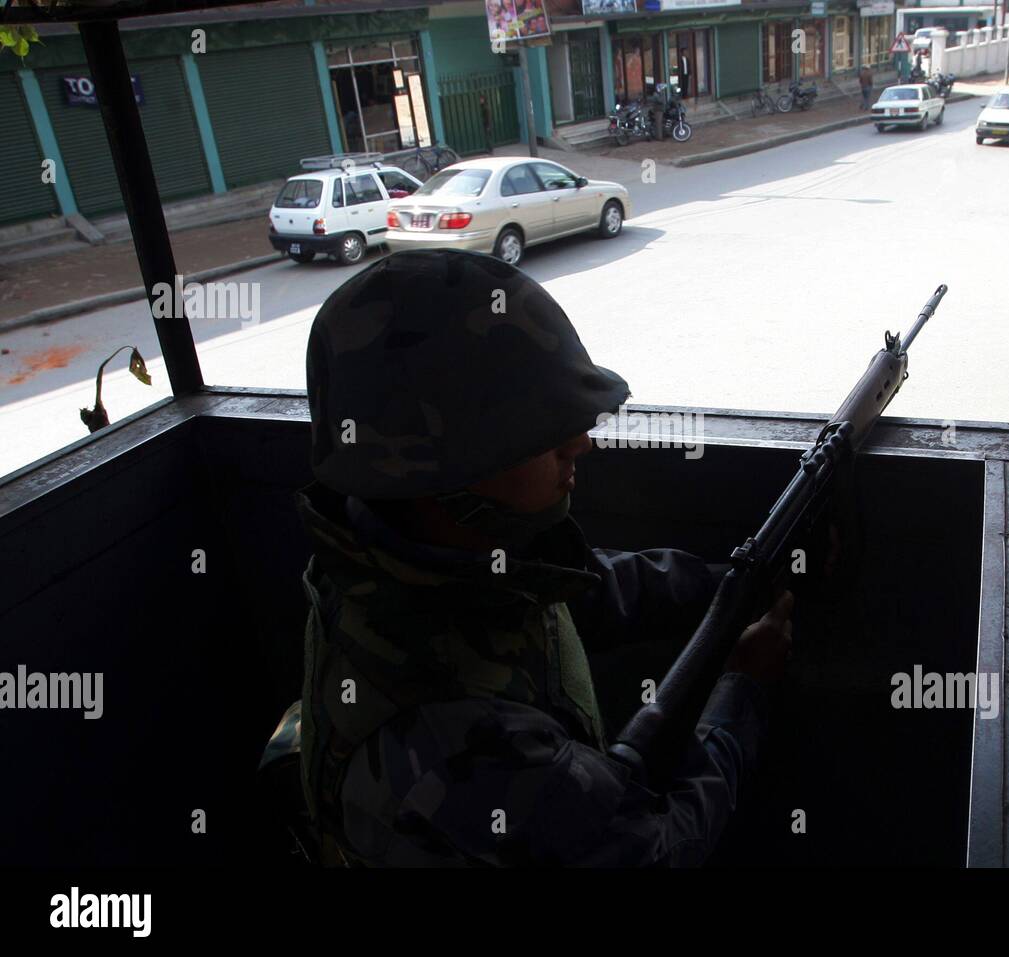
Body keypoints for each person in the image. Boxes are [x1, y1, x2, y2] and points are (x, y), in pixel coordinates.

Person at [296, 249, 795, 866]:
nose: (580, 443)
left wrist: (731, 583)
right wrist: (742, 690)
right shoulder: (462, 745)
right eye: (537, 430)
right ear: (443, 473)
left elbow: (568, 592)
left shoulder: (399, 553)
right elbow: (662, 851)